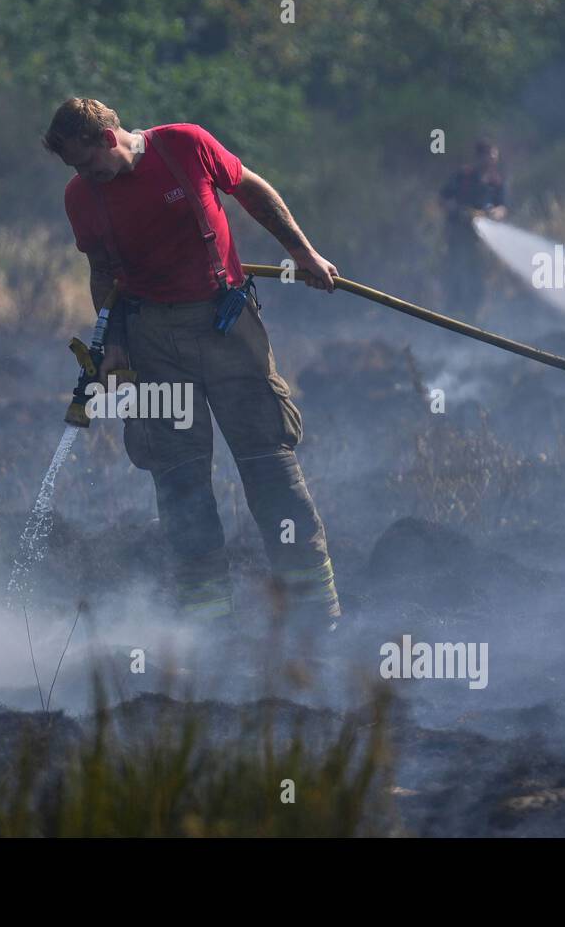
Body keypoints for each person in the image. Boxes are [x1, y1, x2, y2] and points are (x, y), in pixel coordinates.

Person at [43, 97, 341, 627]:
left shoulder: (184, 144)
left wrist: (303, 252)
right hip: (153, 345)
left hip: (227, 327)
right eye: (75, 169)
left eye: (88, 163)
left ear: (109, 138)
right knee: (180, 484)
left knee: (270, 468)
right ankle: (210, 633)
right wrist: (111, 342)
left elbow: (251, 189)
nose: (86, 176)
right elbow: (101, 271)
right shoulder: (81, 196)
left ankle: (318, 619)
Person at [439, 139, 506, 323]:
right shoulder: (463, 176)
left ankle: (473, 318)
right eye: (489, 157)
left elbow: (502, 207)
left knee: (478, 279)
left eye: (494, 157)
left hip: (482, 241)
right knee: (456, 276)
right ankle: (450, 318)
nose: (492, 161)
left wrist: (494, 214)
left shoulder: (495, 182)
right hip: (459, 237)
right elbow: (444, 198)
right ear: (480, 157)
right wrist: (459, 211)